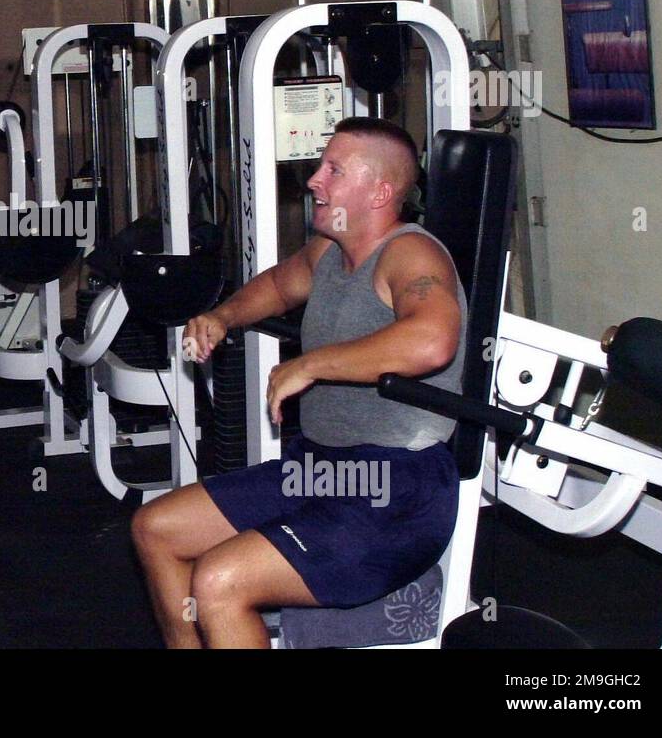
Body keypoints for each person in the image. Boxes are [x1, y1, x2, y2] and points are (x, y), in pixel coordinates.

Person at [131, 117, 467, 648]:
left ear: (381, 192)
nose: (315, 179)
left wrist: (311, 364)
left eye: (334, 169)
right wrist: (223, 317)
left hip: (396, 488)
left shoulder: (410, 254)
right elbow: (277, 286)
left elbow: (432, 341)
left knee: (219, 579)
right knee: (157, 529)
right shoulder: (329, 254)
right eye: (321, 166)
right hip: (320, 470)